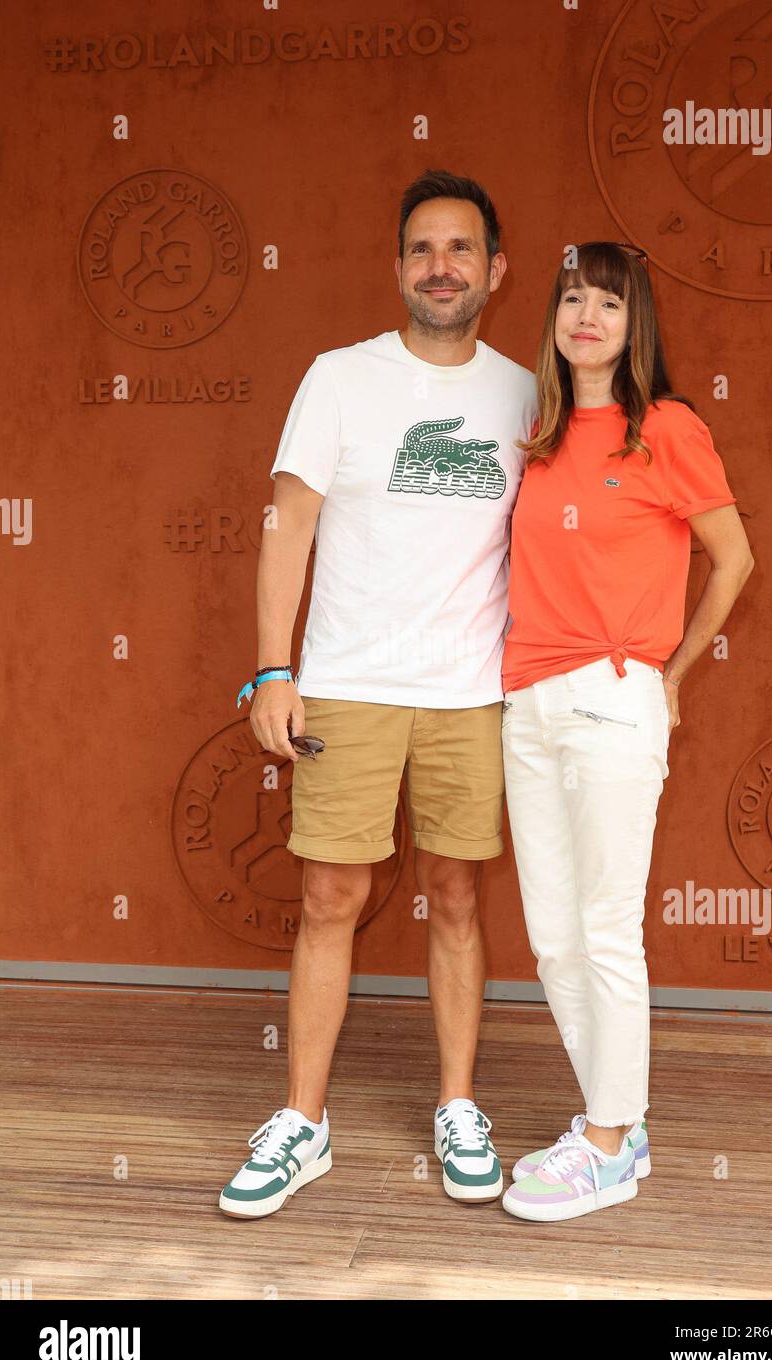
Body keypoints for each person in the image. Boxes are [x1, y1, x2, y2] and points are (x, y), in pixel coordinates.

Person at [220, 170, 537, 1218]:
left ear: (493, 270)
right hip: (347, 687)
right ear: (397, 267)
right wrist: (274, 670)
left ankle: (455, 1104)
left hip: (467, 694)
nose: (437, 266)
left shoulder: (521, 392)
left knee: (454, 896)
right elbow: (287, 528)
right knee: (329, 899)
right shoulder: (338, 378)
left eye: (458, 249)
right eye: (418, 249)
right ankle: (303, 1121)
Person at [499, 241, 754, 1223]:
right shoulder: (539, 432)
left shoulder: (667, 428)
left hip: (612, 698)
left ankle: (605, 1143)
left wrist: (671, 673)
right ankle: (615, 1119)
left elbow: (730, 559)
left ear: (632, 322)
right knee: (552, 938)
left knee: (603, 929)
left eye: (607, 301)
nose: (586, 315)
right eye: (571, 298)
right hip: (525, 703)